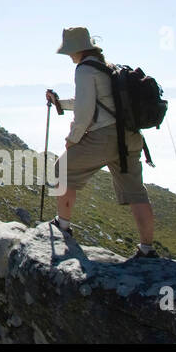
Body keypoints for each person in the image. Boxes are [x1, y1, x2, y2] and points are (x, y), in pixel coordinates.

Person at [44, 26, 157, 259]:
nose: (69, 56)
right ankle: (147, 249)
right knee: (136, 192)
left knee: (61, 170)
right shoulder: (107, 67)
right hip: (131, 138)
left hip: (104, 138)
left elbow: (85, 111)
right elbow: (96, 101)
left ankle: (62, 226)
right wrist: (59, 103)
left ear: (76, 50)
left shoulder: (84, 70)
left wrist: (72, 139)